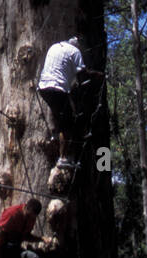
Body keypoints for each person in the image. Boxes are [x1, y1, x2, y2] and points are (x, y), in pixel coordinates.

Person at [37, 37, 105, 167]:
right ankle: (63, 158)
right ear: (78, 46)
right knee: (67, 124)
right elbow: (82, 76)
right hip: (57, 88)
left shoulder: (55, 46)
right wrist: (96, 75)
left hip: (43, 87)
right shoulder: (75, 51)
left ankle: (55, 136)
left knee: (59, 114)